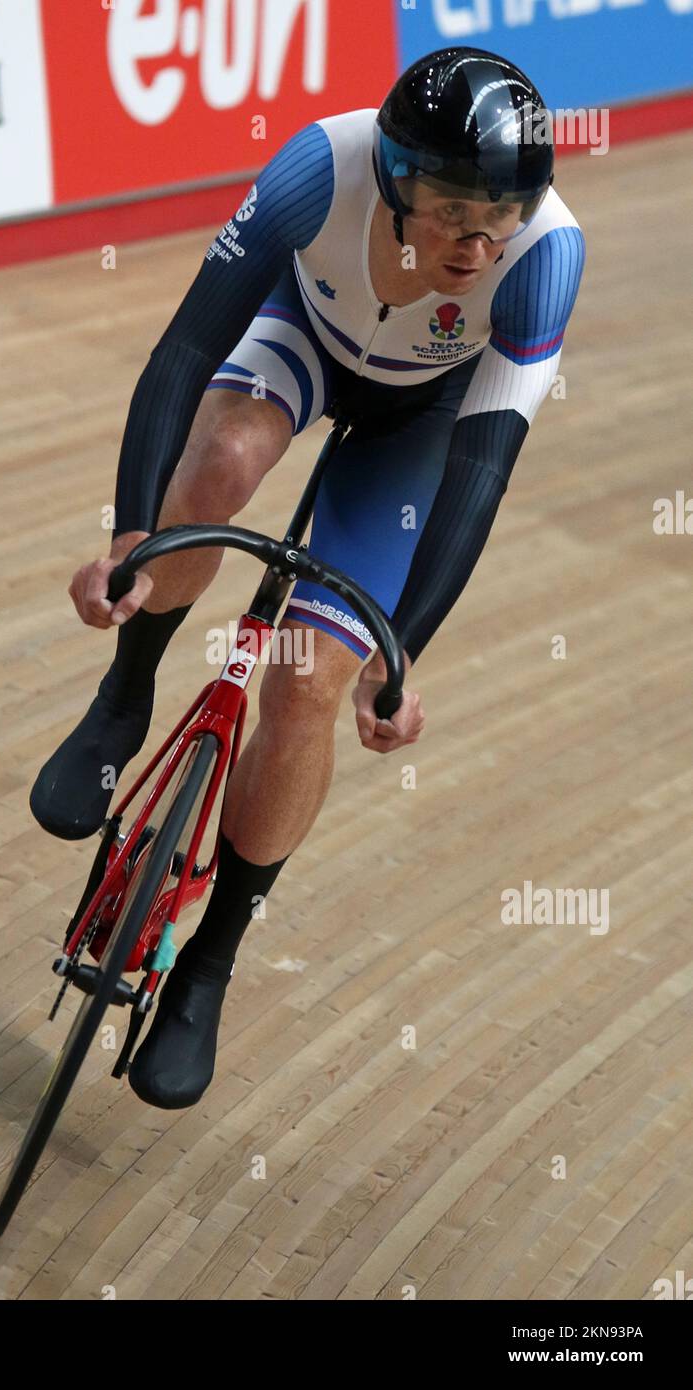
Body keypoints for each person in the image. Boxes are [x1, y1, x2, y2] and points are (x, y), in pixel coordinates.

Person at [30, 47, 585, 1110]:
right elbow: (186, 349)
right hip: (304, 340)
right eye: (449, 212)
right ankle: (121, 699)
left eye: (497, 217)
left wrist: (396, 651)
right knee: (225, 461)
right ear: (392, 179)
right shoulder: (314, 168)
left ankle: (207, 965)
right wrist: (130, 535)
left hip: (418, 426)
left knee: (306, 683)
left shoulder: (544, 256)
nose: (474, 246)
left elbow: (480, 470)